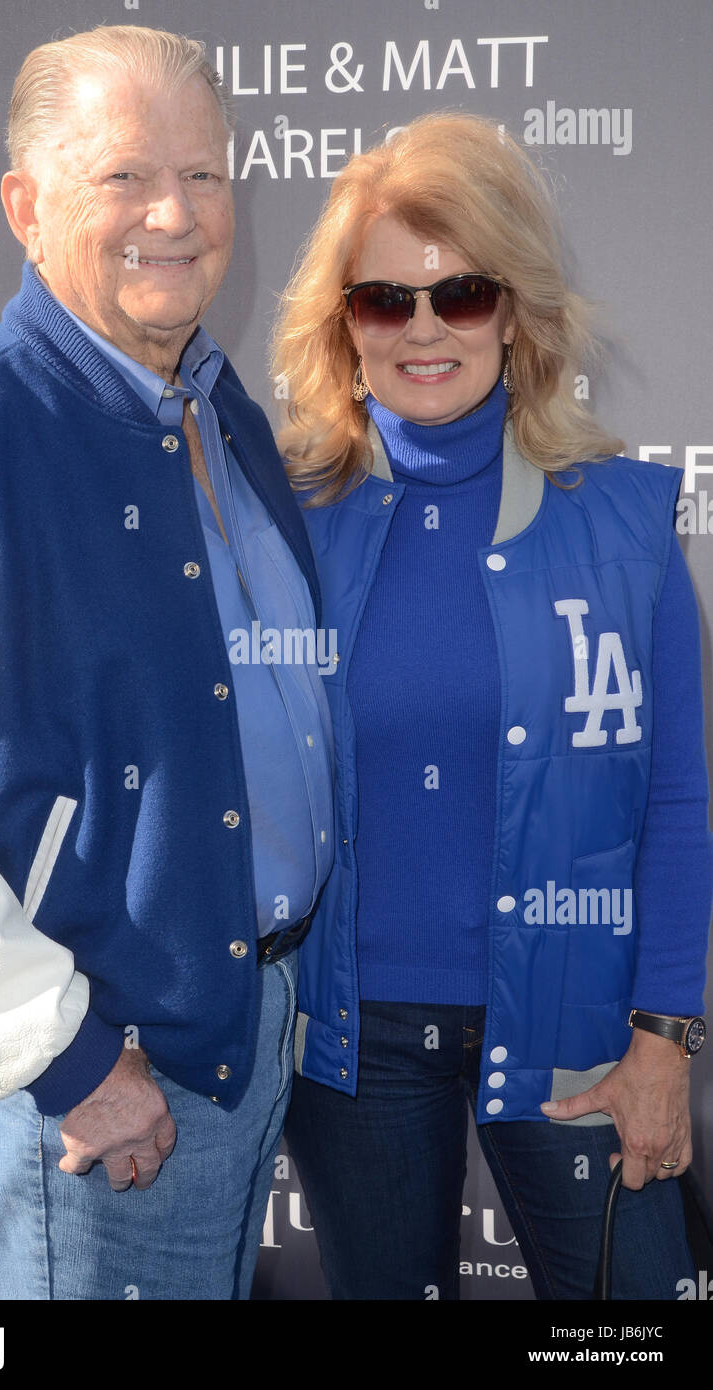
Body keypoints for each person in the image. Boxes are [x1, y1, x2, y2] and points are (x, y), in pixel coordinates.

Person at [0, 24, 333, 1301]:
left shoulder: (220, 414)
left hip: (240, 1050)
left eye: (206, 173)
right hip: (96, 1105)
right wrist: (72, 1068)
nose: (173, 213)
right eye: (123, 176)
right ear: (25, 205)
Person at [273, 111, 711, 1301]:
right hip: (351, 1045)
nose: (423, 329)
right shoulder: (285, 524)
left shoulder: (618, 522)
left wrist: (664, 1039)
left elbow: (676, 797)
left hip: (575, 1029)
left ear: (512, 311)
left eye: (458, 293)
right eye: (383, 300)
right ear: (341, 325)